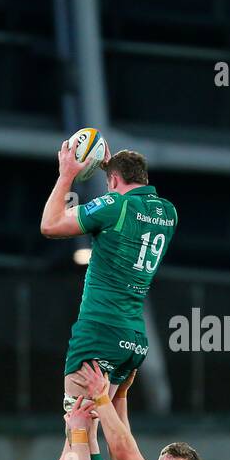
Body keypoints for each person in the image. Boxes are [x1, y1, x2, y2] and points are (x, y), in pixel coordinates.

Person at [40, 144, 179, 413]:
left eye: (109, 184)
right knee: (104, 430)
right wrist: (108, 165)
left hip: (99, 330)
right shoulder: (168, 212)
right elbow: (131, 205)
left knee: (78, 432)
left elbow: (50, 224)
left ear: (114, 180)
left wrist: (66, 174)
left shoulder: (115, 204)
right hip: (134, 338)